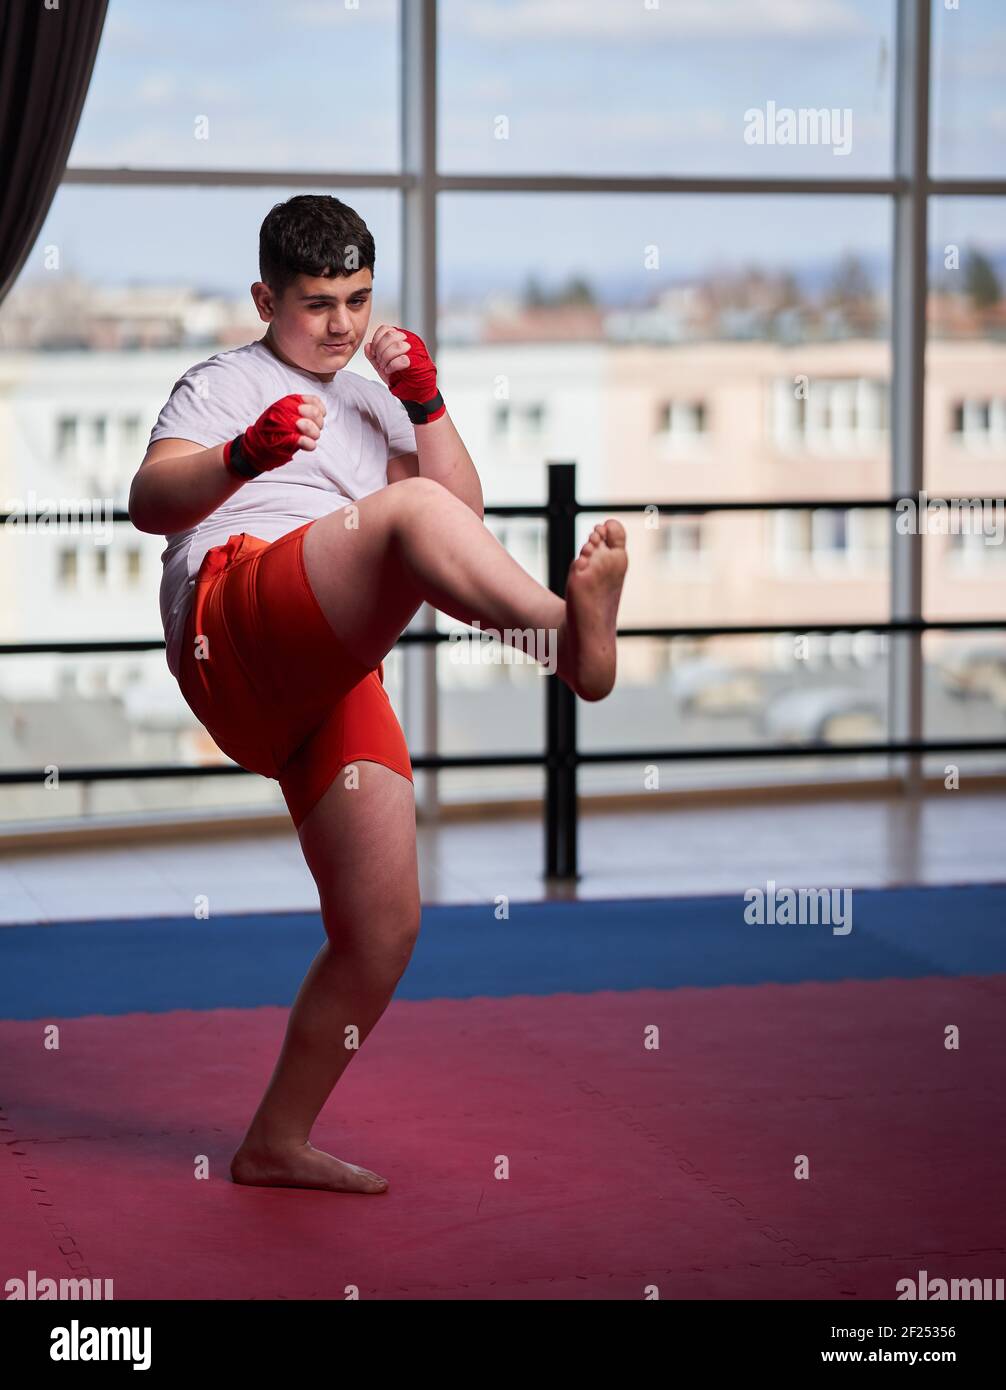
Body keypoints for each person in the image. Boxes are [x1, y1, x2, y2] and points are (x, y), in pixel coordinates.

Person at [129, 194, 627, 1195]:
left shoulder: (369, 400)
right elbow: (148, 501)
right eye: (317, 304)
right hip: (232, 620)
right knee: (401, 516)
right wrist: (242, 456)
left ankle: (275, 1138)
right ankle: (569, 648)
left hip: (320, 669)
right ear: (266, 297)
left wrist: (426, 403)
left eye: (358, 301)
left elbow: (457, 522)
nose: (343, 326)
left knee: (381, 927)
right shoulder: (222, 381)